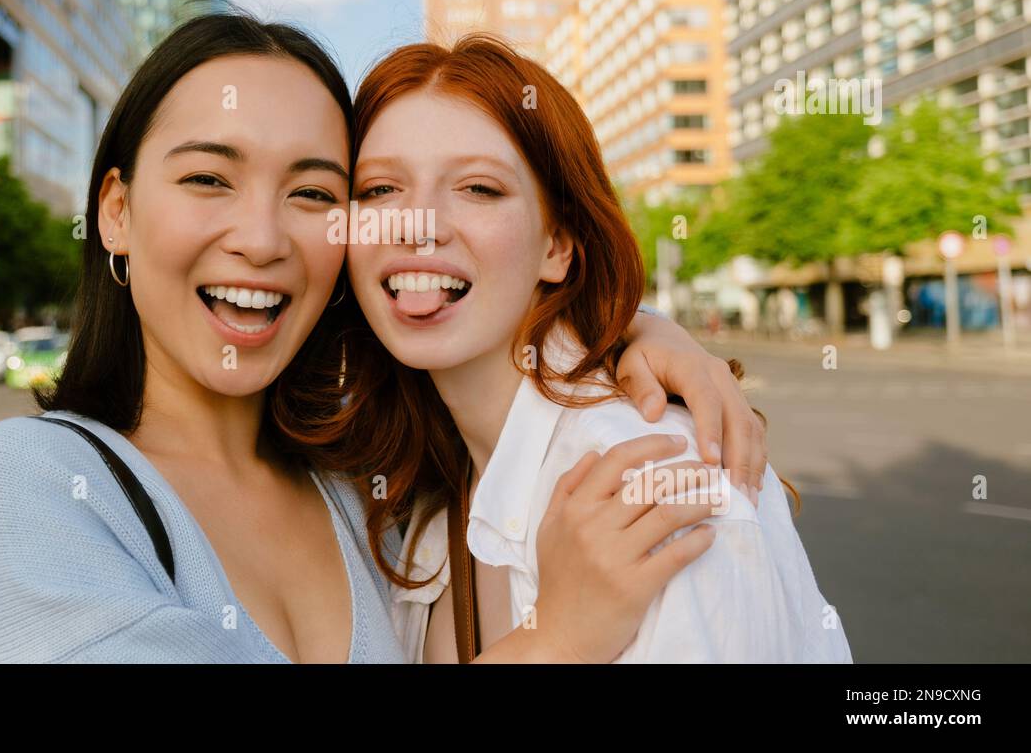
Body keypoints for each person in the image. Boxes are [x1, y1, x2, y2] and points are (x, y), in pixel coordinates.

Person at [0, 12, 768, 663]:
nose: (262, 239)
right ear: (115, 212)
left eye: (314, 192)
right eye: (208, 178)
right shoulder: (30, 484)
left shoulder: (368, 483)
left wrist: (620, 332)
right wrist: (554, 642)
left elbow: (489, 355)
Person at [311, 34, 852, 662]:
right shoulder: (425, 485)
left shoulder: (646, 485)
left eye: (479, 189)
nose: (417, 223)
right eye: (380, 190)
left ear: (557, 245)